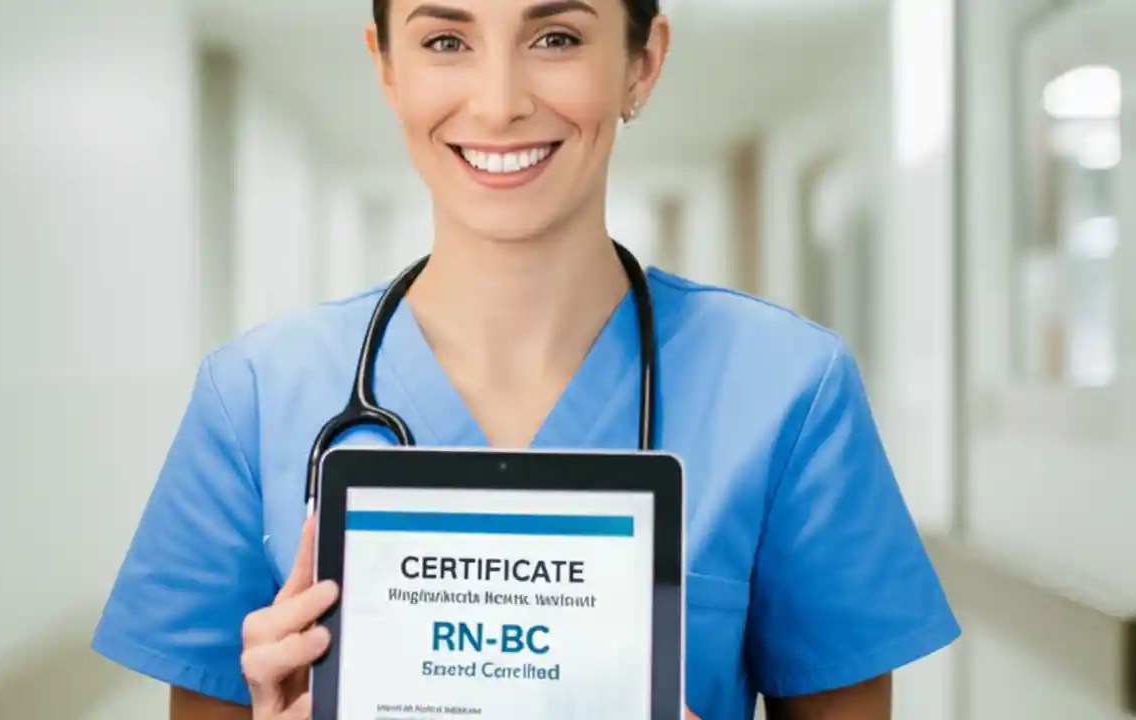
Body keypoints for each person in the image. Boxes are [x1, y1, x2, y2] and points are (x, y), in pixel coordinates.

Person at [91, 0, 961, 718]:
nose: (500, 101)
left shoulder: (786, 389)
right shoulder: (253, 396)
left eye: (556, 37)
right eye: (445, 41)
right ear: (387, 67)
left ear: (641, 63)